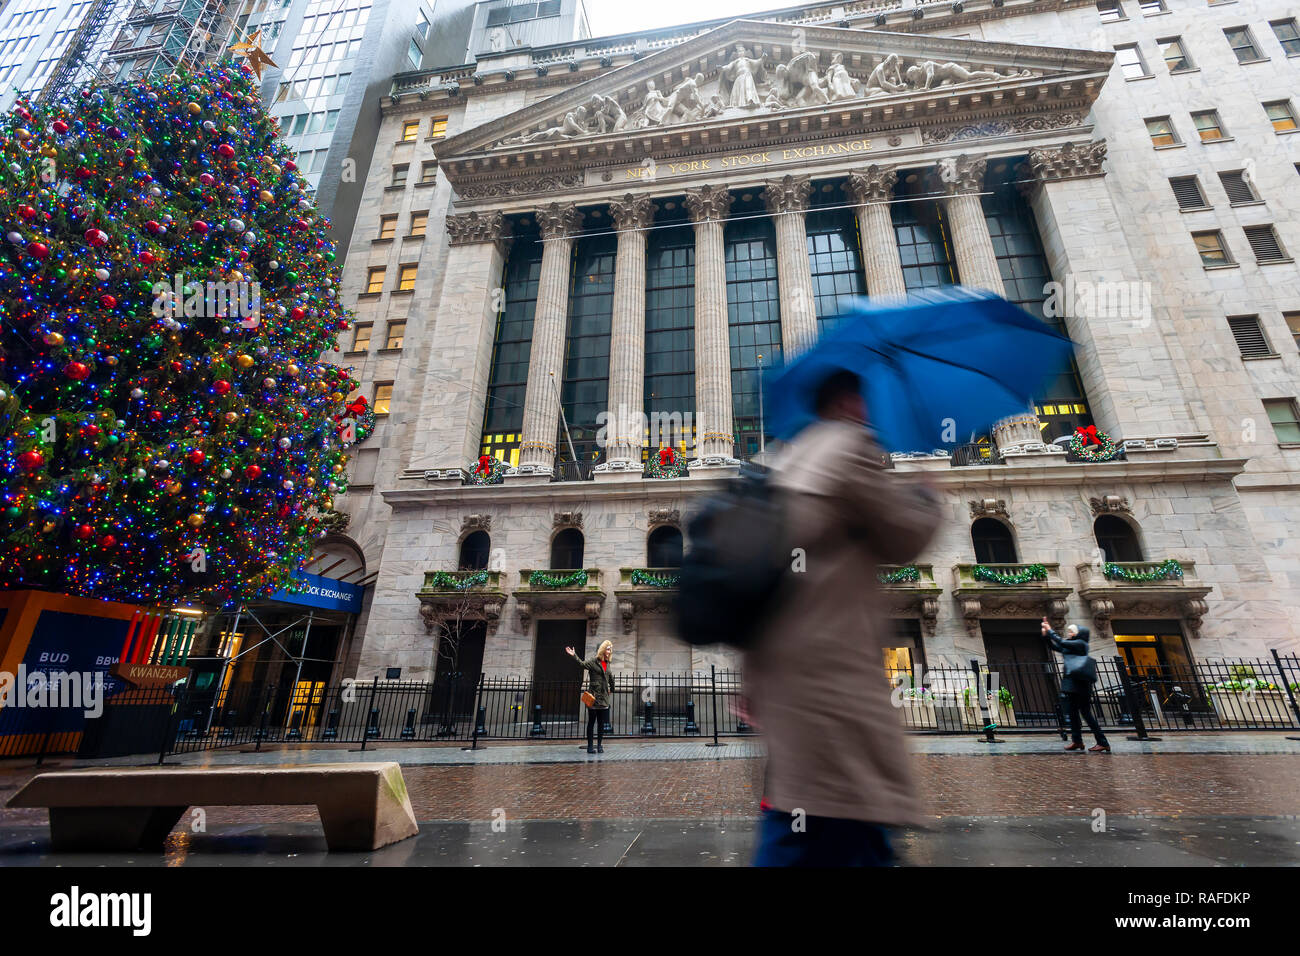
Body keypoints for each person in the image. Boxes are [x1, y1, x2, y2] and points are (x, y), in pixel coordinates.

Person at [744, 369, 942, 866]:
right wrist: (927, 492)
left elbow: (761, 585)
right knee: (849, 816)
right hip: (834, 679)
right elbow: (905, 535)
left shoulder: (790, 462)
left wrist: (752, 676)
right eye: (866, 401)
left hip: (789, 680)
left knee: (800, 818)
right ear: (850, 402)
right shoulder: (847, 447)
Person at [1041, 617, 1110, 753]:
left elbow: (1060, 641)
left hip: (1081, 683)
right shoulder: (1070, 646)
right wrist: (1045, 636)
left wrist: (1050, 631)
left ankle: (1103, 742)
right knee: (1072, 714)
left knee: (1086, 713)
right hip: (1071, 683)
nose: (1069, 633)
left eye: (1072, 631)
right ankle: (1077, 741)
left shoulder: (1081, 644)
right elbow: (1054, 646)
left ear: (1079, 633)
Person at [566, 640, 615, 754]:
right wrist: (574, 655)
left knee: (601, 723)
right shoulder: (593, 661)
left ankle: (599, 745)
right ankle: (590, 746)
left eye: (610, 649)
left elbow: (610, 677)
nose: (609, 651)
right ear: (603, 649)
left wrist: (612, 689)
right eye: (608, 648)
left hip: (603, 698)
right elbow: (582, 664)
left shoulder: (607, 663)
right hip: (593, 696)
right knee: (591, 722)